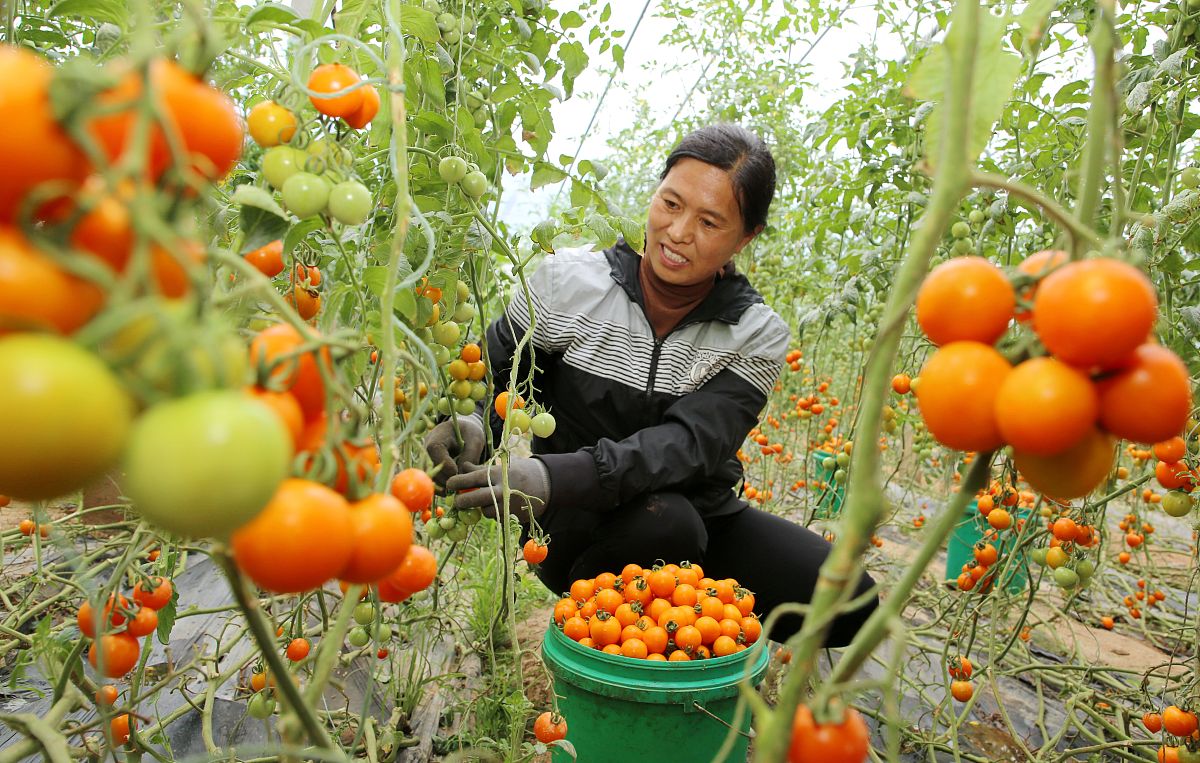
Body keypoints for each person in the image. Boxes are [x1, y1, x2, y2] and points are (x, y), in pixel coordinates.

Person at [424, 124, 877, 646]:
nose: (678, 232)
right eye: (671, 203)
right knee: (666, 527)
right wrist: (470, 420)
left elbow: (685, 447)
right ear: (655, 192)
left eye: (709, 221)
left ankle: (682, 618)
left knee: (850, 600)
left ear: (745, 238)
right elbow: (495, 372)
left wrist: (549, 474)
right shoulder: (565, 283)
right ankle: (609, 634)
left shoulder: (754, 334)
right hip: (575, 520)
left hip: (694, 513)